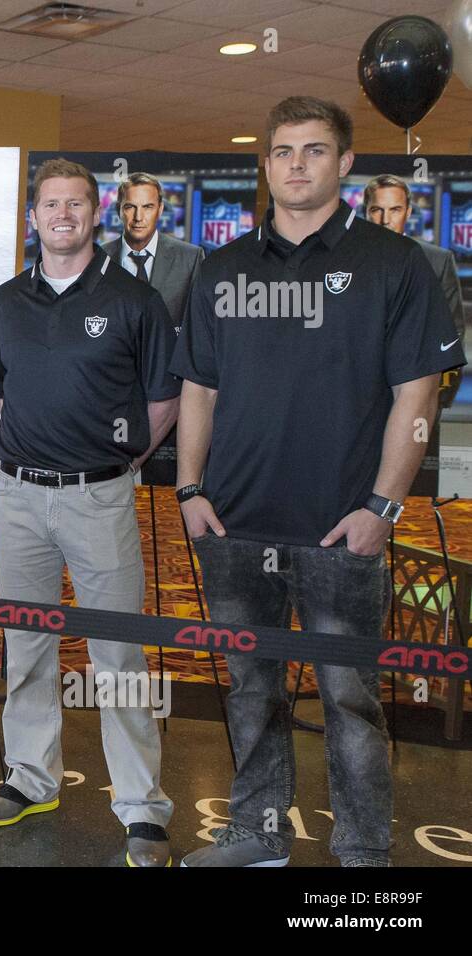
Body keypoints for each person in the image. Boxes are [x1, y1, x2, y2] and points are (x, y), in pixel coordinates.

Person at [172, 97, 463, 867]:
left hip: (344, 527)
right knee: (249, 688)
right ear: (265, 164)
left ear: (345, 164)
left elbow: (418, 394)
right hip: (234, 526)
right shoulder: (223, 269)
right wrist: (191, 491)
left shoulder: (396, 265)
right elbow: (198, 389)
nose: (296, 165)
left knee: (350, 700)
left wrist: (382, 507)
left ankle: (364, 851)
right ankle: (258, 831)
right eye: (282, 152)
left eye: (313, 150)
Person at [0, 158, 179, 867]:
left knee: (116, 655)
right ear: (34, 218)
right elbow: (3, 393)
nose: (62, 215)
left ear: (97, 214)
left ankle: (142, 809)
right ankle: (31, 779)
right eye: (50, 204)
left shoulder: (134, 300)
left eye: (76, 204)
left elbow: (162, 399)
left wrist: (119, 463)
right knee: (25, 646)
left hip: (99, 496)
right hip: (18, 496)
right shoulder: (5, 301)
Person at [102, 172, 205, 486]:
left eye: (147, 207)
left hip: (172, 399)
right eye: (130, 207)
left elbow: (198, 332)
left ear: (161, 209)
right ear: (119, 210)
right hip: (111, 399)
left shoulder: (190, 258)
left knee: (165, 510)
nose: (138, 216)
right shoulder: (98, 260)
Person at [364, 173, 466, 407]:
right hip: (359, 399)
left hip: (419, 396)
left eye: (395, 209)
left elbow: (452, 333)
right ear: (366, 211)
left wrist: (437, 399)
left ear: (408, 212)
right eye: (377, 209)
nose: (385, 219)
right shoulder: (344, 261)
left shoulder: (437, 261)